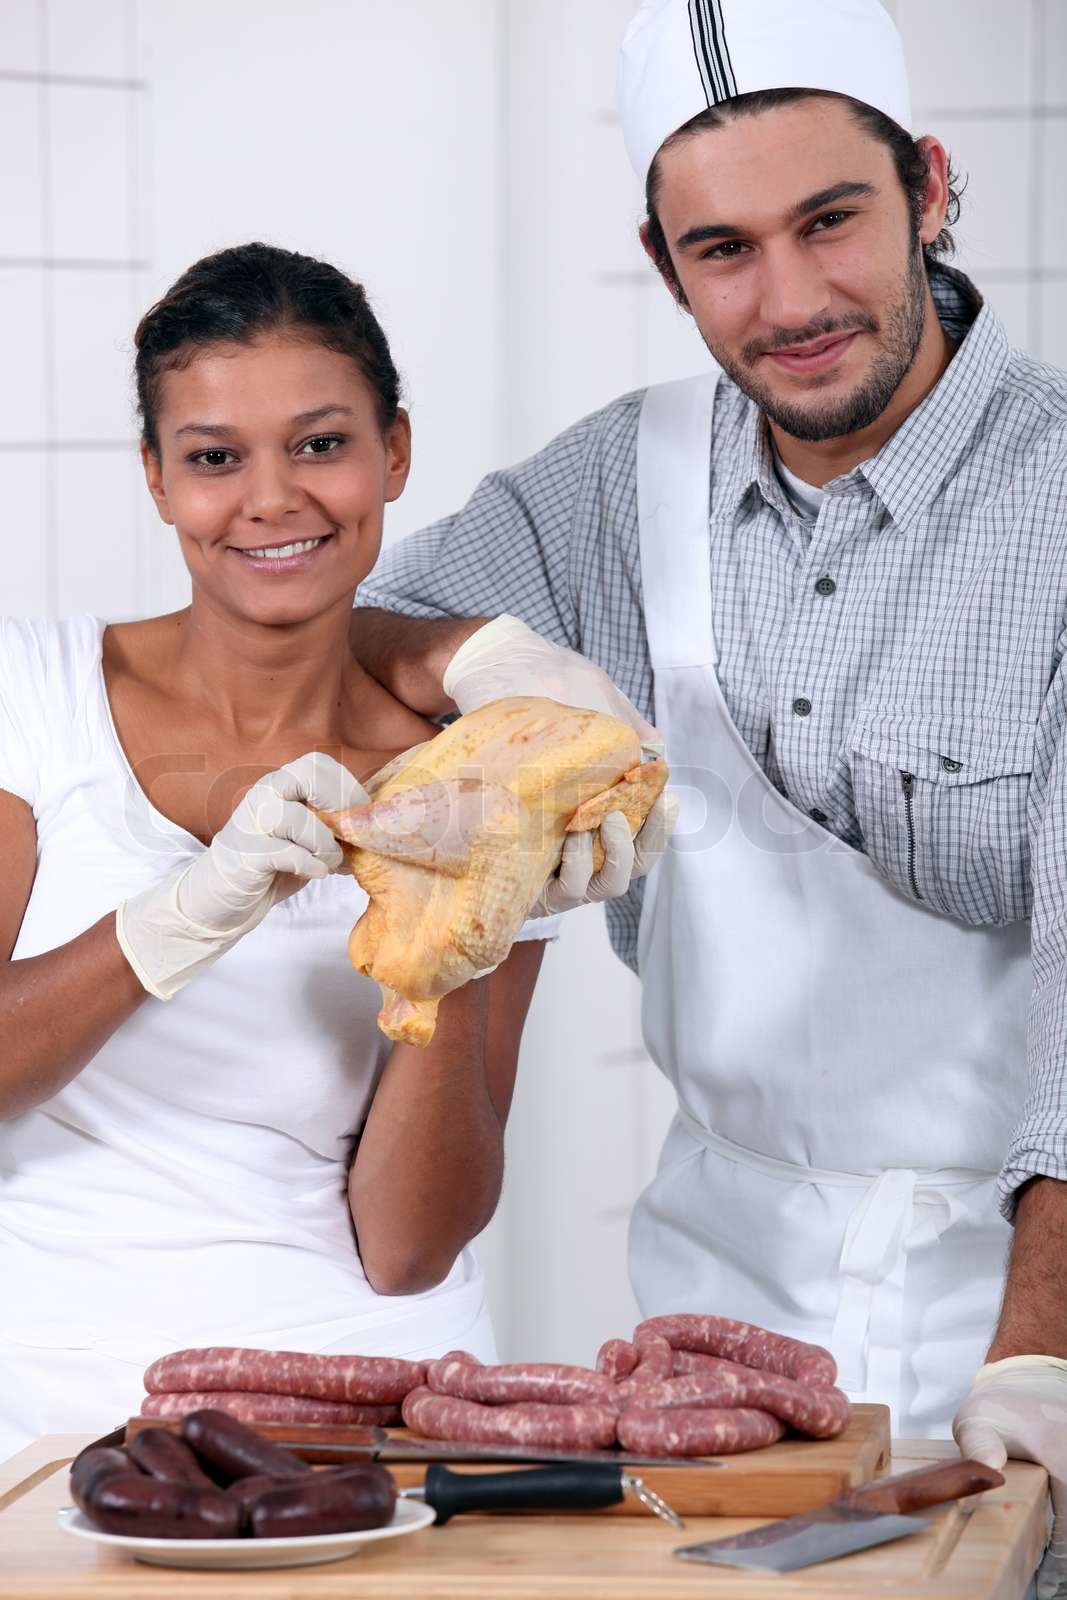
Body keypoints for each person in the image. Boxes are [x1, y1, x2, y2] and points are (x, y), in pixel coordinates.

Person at [348, 0, 1067, 1586]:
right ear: (663, 262)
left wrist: (1039, 1354)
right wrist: (483, 674)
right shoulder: (618, 484)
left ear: (930, 188)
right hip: (708, 1322)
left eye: (830, 221)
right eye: (722, 248)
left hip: (1020, 1301)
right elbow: (343, 655)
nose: (789, 299)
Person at [0, 241, 584, 1463]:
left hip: (367, 1423)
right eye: (214, 457)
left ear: (395, 453)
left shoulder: (476, 772)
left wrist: (451, 933)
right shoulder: (36, 695)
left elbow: (410, 1243)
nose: (271, 499)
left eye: (320, 444)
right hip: (44, 1418)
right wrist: (180, 915)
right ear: (158, 480)